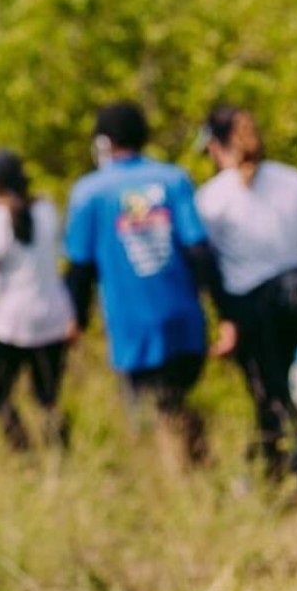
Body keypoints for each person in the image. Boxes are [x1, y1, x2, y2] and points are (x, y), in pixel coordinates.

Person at [65, 101, 225, 470]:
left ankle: (182, 486)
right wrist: (225, 313)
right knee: (175, 400)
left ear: (103, 142)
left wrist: (75, 319)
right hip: (184, 320)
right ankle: (199, 471)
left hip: (131, 326)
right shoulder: (173, 179)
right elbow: (199, 251)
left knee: (155, 413)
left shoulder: (90, 192)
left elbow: (80, 269)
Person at [195, 106, 297, 479]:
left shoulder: (212, 198)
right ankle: (270, 468)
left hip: (252, 306)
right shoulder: (292, 180)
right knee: (284, 388)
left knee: (268, 392)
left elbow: (205, 264)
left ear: (214, 146)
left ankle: (280, 469)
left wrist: (224, 319)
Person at [0, 151, 74, 451]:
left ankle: (23, 452)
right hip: (53, 317)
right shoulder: (47, 211)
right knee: (48, 397)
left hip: (10, 322)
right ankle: (59, 454)